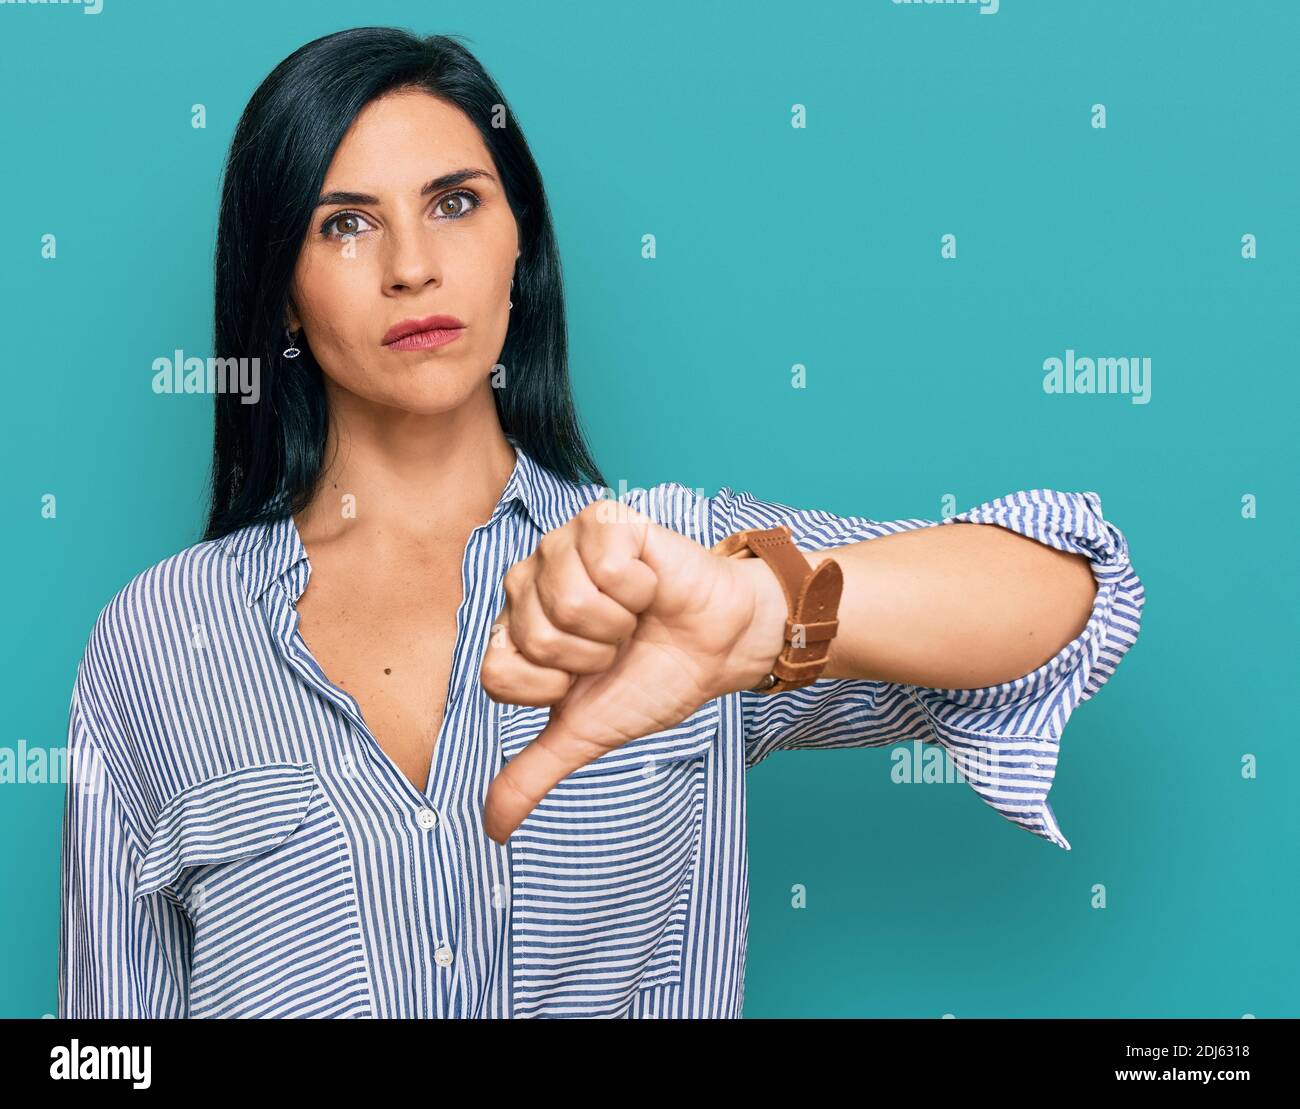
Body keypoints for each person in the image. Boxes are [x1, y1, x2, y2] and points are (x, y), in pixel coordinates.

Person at [57, 28, 1145, 1019]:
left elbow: (1077, 596)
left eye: (454, 202)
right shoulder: (156, 642)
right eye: (344, 223)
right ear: (282, 293)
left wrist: (764, 609)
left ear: (519, 244)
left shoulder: (669, 563)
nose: (411, 266)